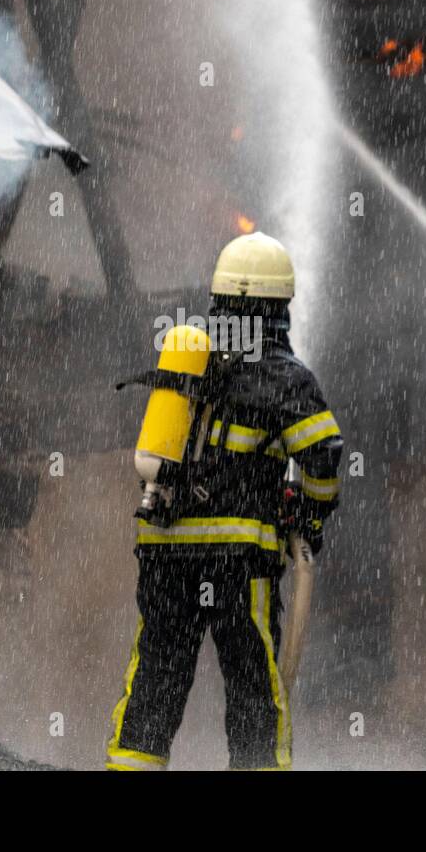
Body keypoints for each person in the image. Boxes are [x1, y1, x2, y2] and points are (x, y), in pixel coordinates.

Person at [106, 232, 344, 771]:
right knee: (254, 683)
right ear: (280, 306)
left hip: (164, 545)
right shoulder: (285, 376)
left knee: (156, 674)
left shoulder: (187, 356)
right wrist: (309, 513)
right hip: (237, 557)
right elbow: (324, 458)